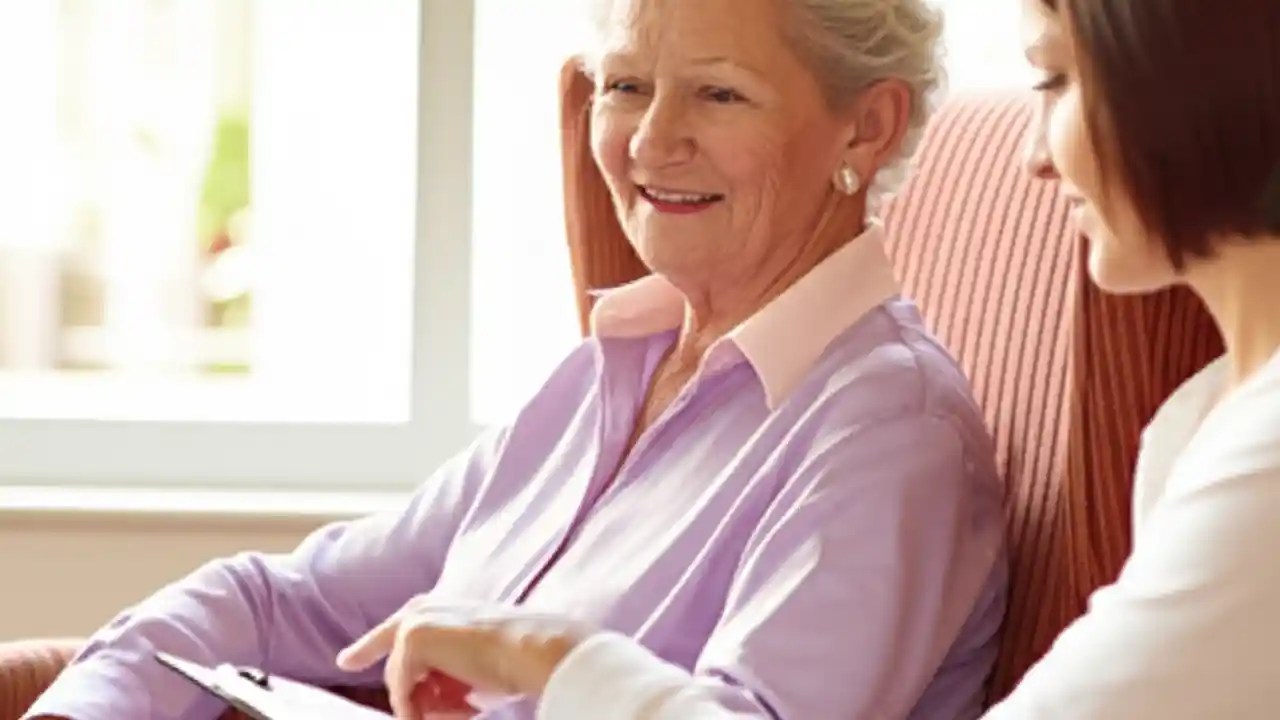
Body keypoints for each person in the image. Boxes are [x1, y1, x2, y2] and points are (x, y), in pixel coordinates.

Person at [24, 0, 1007, 719]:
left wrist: (533, 654)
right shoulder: (609, 370)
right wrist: (88, 707)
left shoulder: (887, 434)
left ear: (865, 127)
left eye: (718, 93)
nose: (650, 141)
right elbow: (295, 601)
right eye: (624, 86)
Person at [346, 0, 1280, 717]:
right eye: (624, 85)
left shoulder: (1255, 459)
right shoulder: (1197, 424)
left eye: (1058, 83)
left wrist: (544, 659)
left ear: (1188, 81)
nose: (1036, 157)